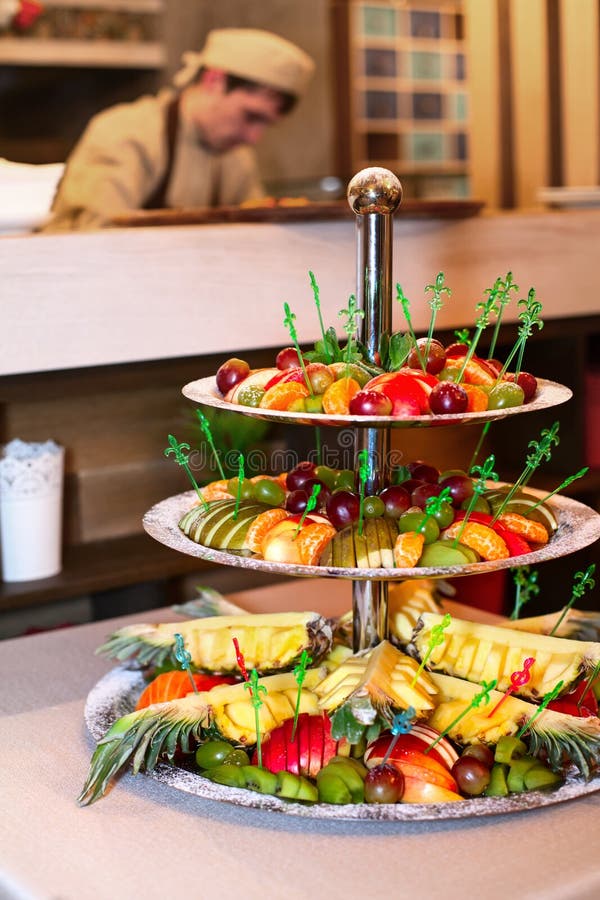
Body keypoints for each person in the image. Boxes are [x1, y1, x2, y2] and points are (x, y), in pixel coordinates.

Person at [41, 28, 314, 232]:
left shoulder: (236, 159)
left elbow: (255, 236)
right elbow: (96, 241)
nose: (253, 137)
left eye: (266, 124)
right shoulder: (126, 134)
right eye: (250, 116)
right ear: (214, 80)